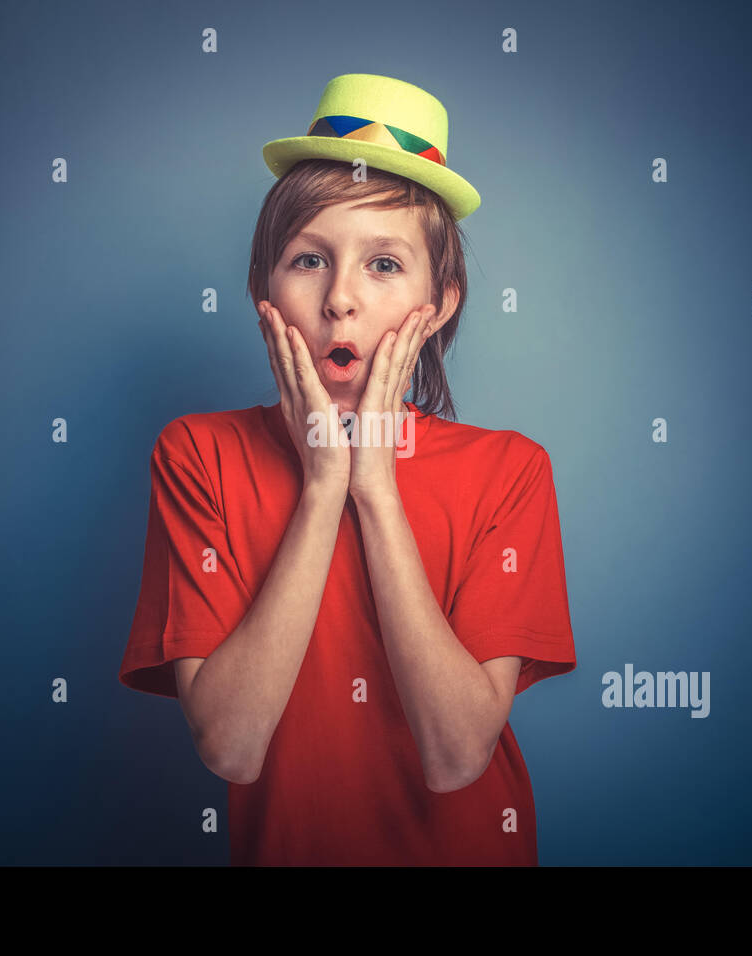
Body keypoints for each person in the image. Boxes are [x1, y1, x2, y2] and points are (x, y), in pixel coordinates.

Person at [118, 73, 576, 865]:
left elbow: (458, 754)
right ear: (265, 290)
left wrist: (374, 484)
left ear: (440, 306)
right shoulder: (197, 455)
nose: (340, 300)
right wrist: (324, 484)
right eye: (308, 259)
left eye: (385, 265)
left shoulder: (510, 471)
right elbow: (229, 746)